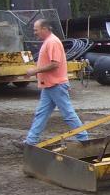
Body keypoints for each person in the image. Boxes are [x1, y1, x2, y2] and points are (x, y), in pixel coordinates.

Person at [14, 19, 88, 148]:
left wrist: (35, 70)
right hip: (50, 85)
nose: (35, 32)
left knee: (68, 114)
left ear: (44, 29)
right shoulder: (49, 42)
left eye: (36, 29)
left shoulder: (52, 42)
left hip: (56, 85)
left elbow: (55, 64)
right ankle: (30, 141)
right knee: (41, 114)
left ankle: (85, 140)